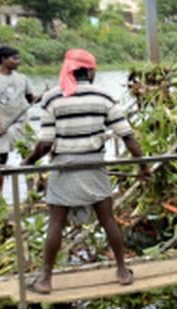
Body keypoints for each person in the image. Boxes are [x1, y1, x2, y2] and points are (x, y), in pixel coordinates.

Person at [24, 49, 148, 294]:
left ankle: (46, 280)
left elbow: (45, 143)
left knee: (56, 223)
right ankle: (122, 271)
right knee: (107, 220)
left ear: (68, 69)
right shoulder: (104, 97)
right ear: (89, 71)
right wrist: (143, 166)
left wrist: (28, 162)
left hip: (64, 166)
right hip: (94, 165)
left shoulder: (52, 98)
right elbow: (127, 136)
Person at [0, 46, 38, 194]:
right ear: (4, 59)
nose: (17, 61)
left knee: (28, 156)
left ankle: (31, 193)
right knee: (1, 158)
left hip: (21, 124)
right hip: (3, 125)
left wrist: (43, 95)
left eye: (18, 58)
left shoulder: (22, 79)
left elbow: (31, 98)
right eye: (14, 58)